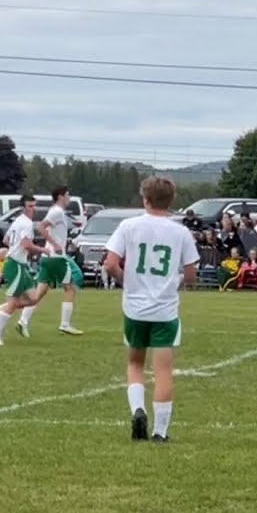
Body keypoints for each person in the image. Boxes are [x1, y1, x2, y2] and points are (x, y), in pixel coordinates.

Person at [103, 176, 200, 443]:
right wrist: (176, 281)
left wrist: (127, 281)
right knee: (163, 371)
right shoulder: (181, 232)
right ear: (170, 201)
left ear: (145, 199)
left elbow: (110, 264)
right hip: (165, 310)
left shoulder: (129, 226)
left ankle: (138, 409)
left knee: (135, 363)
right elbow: (191, 275)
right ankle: (160, 432)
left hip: (135, 308)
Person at [17, 186, 84, 337]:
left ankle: (23, 321)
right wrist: (56, 245)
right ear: (60, 197)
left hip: (47, 258)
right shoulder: (57, 212)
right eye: (67, 195)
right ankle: (65, 324)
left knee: (40, 292)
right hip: (56, 258)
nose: (69, 198)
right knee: (70, 289)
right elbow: (41, 227)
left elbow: (48, 229)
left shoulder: (56, 212)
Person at [0, 195, 47, 346]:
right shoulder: (26, 223)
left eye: (34, 205)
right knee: (13, 303)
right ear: (23, 208)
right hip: (15, 265)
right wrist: (42, 250)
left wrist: (16, 248)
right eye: (30, 206)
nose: (33, 209)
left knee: (33, 298)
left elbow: (6, 240)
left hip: (21, 265)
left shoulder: (18, 221)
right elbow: (26, 245)